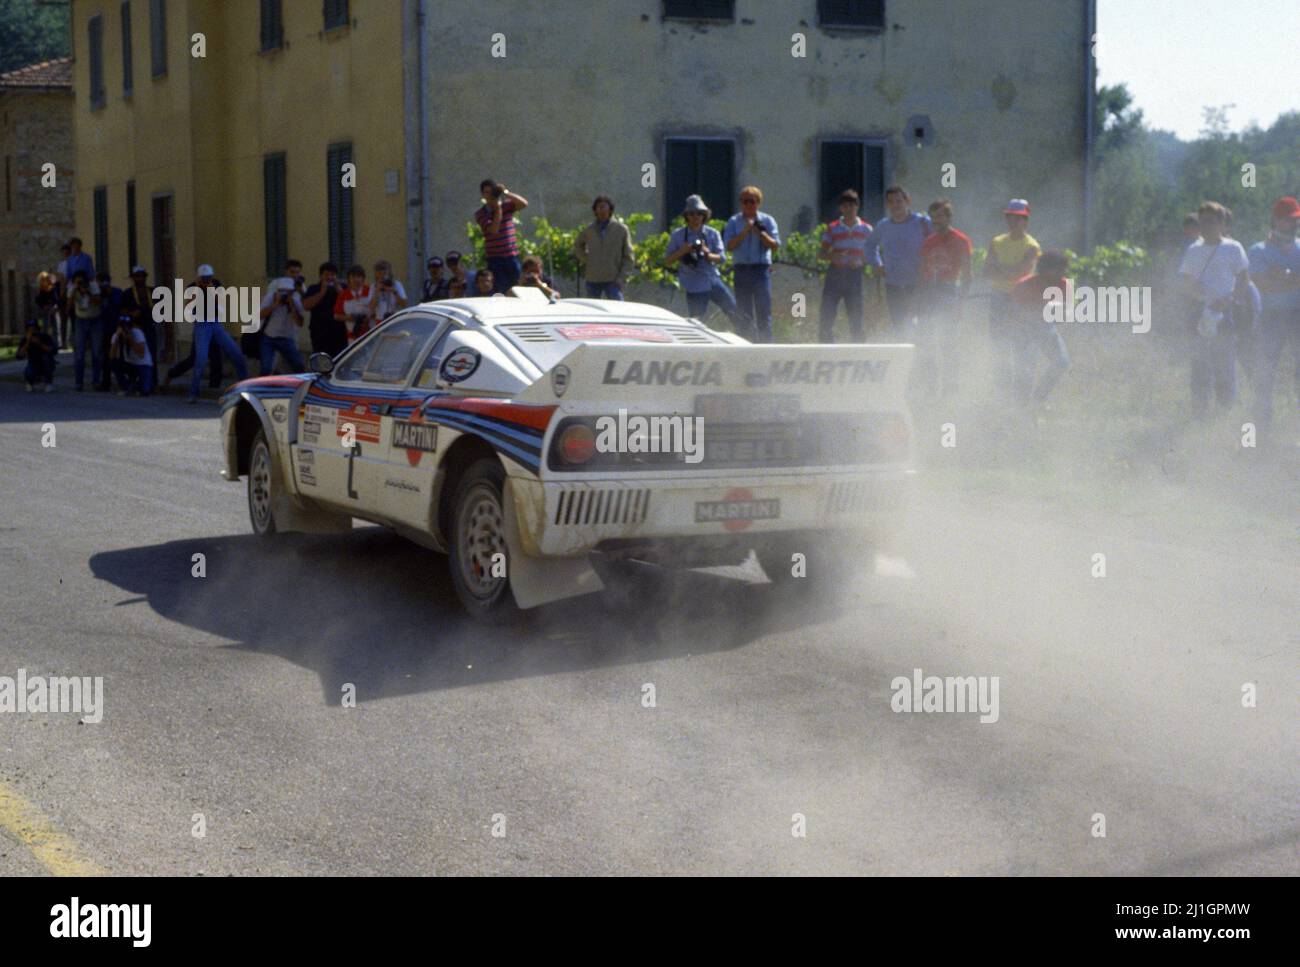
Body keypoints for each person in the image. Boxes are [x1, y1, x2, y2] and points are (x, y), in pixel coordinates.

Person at [1178, 202, 1251, 418]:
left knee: (1224, 364)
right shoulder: (1193, 250)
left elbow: (1243, 279)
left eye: (1211, 221)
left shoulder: (1233, 248)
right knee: (1199, 363)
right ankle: (1200, 411)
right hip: (1199, 312)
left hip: (1224, 313)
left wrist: (1229, 301)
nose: (1206, 226)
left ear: (1221, 223)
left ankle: (1225, 412)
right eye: (1203, 222)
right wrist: (1197, 293)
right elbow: (1184, 281)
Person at [1247, 196, 1300, 430]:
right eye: (1289, 220)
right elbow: (1262, 284)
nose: (1293, 224)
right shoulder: (1258, 250)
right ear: (1276, 221)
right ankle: (1262, 422)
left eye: (1295, 220)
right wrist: (1291, 280)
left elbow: (1273, 281)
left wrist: (1282, 277)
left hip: (1297, 315)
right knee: (1266, 369)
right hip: (1270, 316)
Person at [983, 199, 1041, 395]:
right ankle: (1002, 390)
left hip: (1022, 301)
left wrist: (1000, 268)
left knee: (1020, 346)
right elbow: (987, 271)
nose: (1013, 221)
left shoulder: (1032, 246)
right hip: (999, 299)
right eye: (1010, 217)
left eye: (1018, 218)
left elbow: (1020, 273)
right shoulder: (996, 242)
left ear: (1026, 220)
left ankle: (1022, 393)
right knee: (999, 345)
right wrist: (1007, 271)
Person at [919, 199, 974, 397]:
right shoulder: (928, 242)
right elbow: (924, 271)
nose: (936, 221)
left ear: (949, 217)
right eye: (933, 217)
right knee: (927, 343)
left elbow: (967, 276)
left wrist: (961, 304)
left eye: (940, 216)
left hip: (950, 292)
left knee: (948, 344)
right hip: (929, 293)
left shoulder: (961, 240)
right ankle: (930, 387)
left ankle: (951, 389)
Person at [665, 194, 741, 332]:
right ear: (686, 215)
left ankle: (747, 337)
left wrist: (707, 254)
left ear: (704, 215)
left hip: (712, 279)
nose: (696, 217)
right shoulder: (678, 235)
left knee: (734, 311)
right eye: (692, 213)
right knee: (697, 322)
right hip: (693, 284)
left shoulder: (713, 234)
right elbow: (668, 261)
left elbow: (722, 258)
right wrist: (683, 251)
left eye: (700, 214)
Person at [867, 185, 933, 338]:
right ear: (887, 205)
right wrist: (877, 264)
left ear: (907, 201)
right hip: (893, 284)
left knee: (921, 323)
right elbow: (870, 245)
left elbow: (937, 243)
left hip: (919, 283)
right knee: (899, 324)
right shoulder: (883, 225)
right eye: (891, 202)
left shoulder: (923, 222)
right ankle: (904, 358)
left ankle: (922, 358)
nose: (895, 205)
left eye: (898, 201)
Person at [177, 265, 248, 403]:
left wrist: (210, 290)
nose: (206, 280)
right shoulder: (193, 287)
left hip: (216, 324)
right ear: (198, 277)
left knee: (236, 354)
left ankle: (246, 388)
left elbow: (221, 302)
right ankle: (193, 393)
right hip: (201, 324)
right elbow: (188, 307)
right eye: (204, 278)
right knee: (201, 360)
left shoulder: (216, 285)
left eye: (208, 277)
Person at [1008, 249, 1071, 405]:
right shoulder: (1023, 286)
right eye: (1056, 271)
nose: (1060, 275)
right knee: (1026, 369)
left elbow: (1064, 315)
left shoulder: (1064, 285)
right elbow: (1012, 315)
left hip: (1046, 329)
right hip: (1023, 331)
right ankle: (1020, 406)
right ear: (1043, 270)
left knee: (1061, 362)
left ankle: (1038, 399)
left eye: (1062, 271)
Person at [818, 189, 876, 342]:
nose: (849, 209)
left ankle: (859, 353)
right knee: (827, 315)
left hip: (854, 275)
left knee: (856, 317)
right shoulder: (832, 228)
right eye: (845, 206)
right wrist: (834, 256)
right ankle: (826, 349)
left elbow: (872, 253)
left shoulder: (867, 229)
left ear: (857, 207)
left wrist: (861, 261)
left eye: (852, 206)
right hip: (835, 275)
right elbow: (821, 253)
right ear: (841, 208)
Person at [723, 186, 780, 342]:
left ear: (758, 202)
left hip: (760, 270)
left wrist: (760, 233)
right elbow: (729, 246)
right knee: (744, 313)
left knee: (764, 312)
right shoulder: (734, 221)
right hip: (741, 270)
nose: (749, 205)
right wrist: (745, 231)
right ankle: (746, 345)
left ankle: (766, 347)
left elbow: (775, 246)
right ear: (741, 203)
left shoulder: (768, 220)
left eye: (752, 201)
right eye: (745, 201)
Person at [574, 195, 635, 299]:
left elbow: (629, 256)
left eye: (603, 206)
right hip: (593, 279)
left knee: (617, 309)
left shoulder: (621, 229)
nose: (601, 210)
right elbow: (577, 245)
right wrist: (587, 259)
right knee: (593, 311)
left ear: (610, 209)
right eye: (598, 207)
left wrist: (623, 277)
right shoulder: (589, 230)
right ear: (595, 210)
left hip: (613, 279)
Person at [475, 179, 529, 294]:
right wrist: (498, 208)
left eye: (492, 192)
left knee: (517, 290)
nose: (490, 195)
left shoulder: (506, 206)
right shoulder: (481, 214)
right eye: (486, 192)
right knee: (499, 291)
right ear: (483, 195)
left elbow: (524, 203)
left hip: (511, 256)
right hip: (496, 259)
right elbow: (494, 230)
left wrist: (505, 192)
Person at [259, 262, 307, 375]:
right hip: (269, 336)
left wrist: (292, 305)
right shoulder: (273, 289)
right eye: (292, 272)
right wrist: (275, 304)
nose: (295, 275)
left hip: (288, 335)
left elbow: (301, 320)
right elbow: (259, 315)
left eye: (297, 272)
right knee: (266, 368)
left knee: (298, 365)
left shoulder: (299, 289)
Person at [120, 266, 159, 387]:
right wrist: (132, 314)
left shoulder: (152, 291)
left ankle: (152, 382)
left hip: (149, 326)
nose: (140, 278)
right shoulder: (127, 293)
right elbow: (122, 311)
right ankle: (135, 381)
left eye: (142, 276)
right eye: (137, 276)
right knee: (134, 355)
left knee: (151, 354)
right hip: (134, 327)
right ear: (133, 278)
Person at [66, 270, 102, 391]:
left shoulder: (93, 286)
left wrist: (88, 292)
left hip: (95, 320)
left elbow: (98, 302)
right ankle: (78, 382)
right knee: (79, 354)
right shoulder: (72, 288)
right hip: (80, 320)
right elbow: (68, 307)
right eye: (78, 282)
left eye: (82, 282)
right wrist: (75, 291)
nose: (80, 284)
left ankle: (96, 381)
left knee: (96, 353)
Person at [303, 262, 346, 356]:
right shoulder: (313, 288)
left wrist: (339, 291)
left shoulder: (342, 288)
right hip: (319, 333)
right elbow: (306, 306)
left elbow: (349, 304)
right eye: (326, 274)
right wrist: (322, 293)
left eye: (332, 275)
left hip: (339, 332)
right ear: (321, 276)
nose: (329, 277)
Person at [109, 312, 155, 396]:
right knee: (114, 364)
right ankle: (127, 387)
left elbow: (141, 354)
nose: (125, 329)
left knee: (145, 390)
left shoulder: (137, 333)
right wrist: (116, 340)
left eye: (127, 326)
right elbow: (112, 356)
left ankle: (137, 386)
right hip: (130, 365)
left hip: (143, 365)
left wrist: (130, 340)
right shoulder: (116, 335)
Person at [93, 271, 123, 391]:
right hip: (103, 328)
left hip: (116, 327)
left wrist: (109, 293)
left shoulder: (116, 292)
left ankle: (121, 381)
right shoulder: (97, 294)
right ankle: (106, 382)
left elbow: (119, 305)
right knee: (105, 356)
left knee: (118, 356)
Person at [333, 265, 372, 342]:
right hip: (352, 336)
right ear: (349, 279)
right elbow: (336, 316)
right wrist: (349, 317)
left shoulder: (370, 291)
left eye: (359, 276)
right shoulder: (343, 295)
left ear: (363, 278)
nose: (356, 279)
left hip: (370, 334)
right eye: (353, 277)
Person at [16, 319, 56, 391]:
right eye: (30, 329)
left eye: (34, 329)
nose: (32, 331)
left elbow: (53, 351)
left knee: (46, 360)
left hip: (46, 362)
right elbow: (19, 356)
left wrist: (39, 343)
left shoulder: (45, 337)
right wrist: (27, 343)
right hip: (33, 363)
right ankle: (31, 382)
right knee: (28, 371)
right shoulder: (25, 340)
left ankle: (48, 382)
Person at [367, 260, 408, 325]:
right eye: (379, 274)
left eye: (384, 273)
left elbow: (404, 304)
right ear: (376, 275)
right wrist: (377, 291)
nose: (382, 276)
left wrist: (394, 291)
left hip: (394, 319)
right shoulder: (373, 287)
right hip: (380, 321)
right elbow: (371, 307)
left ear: (389, 273)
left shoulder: (396, 284)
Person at [34, 271, 61, 348]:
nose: (44, 281)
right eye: (43, 280)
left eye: (45, 279)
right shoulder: (41, 290)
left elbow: (56, 299)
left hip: (53, 309)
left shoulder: (53, 288)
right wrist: (43, 306)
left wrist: (54, 307)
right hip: (46, 311)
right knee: (45, 327)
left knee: (56, 327)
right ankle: (45, 343)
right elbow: (38, 300)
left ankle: (57, 344)